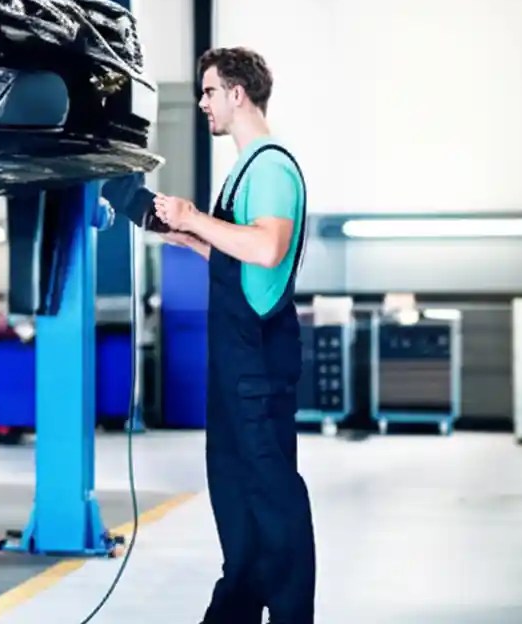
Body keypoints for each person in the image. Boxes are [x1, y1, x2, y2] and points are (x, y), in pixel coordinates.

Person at [153, 46, 316, 623]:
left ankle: (292, 615)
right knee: (237, 494)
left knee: (271, 496)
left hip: (257, 365)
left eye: (208, 92)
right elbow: (239, 258)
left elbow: (268, 247)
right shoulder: (246, 167)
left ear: (237, 94)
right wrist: (187, 237)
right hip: (235, 366)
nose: (203, 104)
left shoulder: (269, 166)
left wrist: (195, 216)